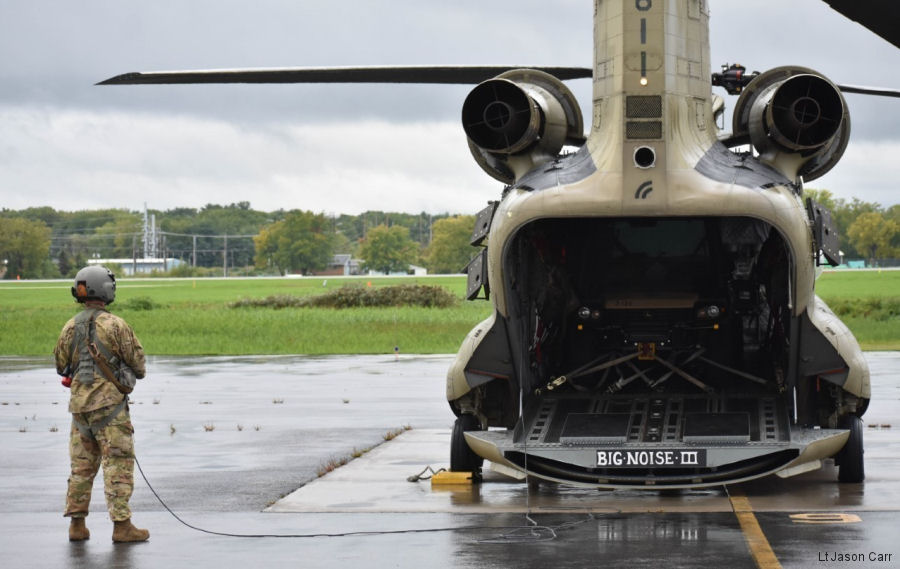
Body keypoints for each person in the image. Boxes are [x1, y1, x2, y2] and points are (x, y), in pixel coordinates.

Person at [53, 265, 149, 543]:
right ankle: (122, 527)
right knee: (117, 464)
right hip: (111, 410)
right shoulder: (117, 325)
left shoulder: (70, 326)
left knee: (81, 467)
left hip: (80, 411)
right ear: (106, 290)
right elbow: (139, 365)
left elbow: (61, 365)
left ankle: (77, 526)